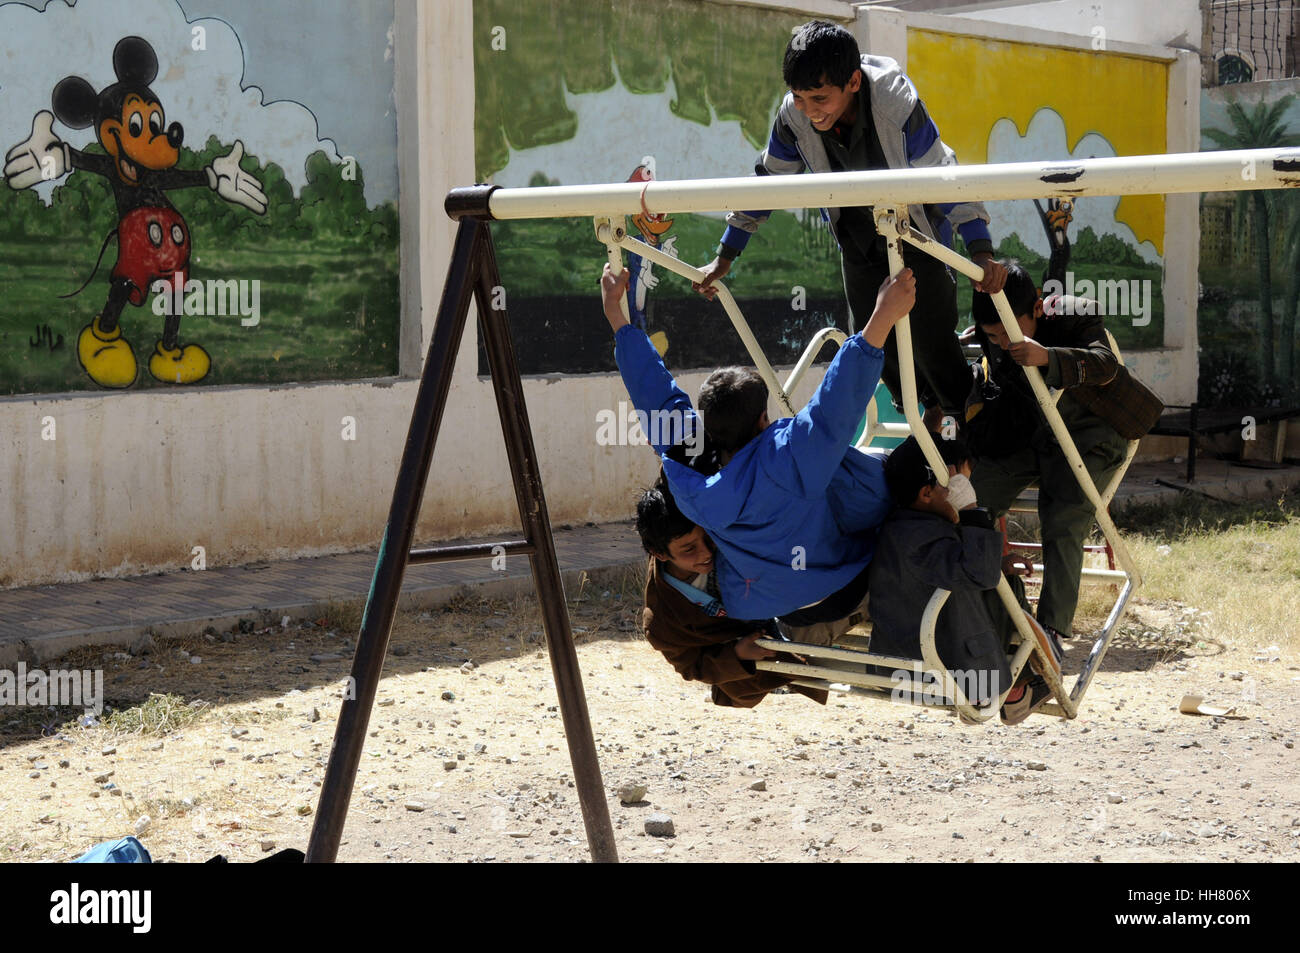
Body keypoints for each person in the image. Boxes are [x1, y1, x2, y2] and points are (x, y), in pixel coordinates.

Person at [692, 19, 1008, 424]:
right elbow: (768, 183)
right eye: (799, 97)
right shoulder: (795, 117)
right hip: (858, 239)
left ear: (854, 82)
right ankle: (926, 421)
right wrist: (726, 255)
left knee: (931, 338)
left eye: (820, 98)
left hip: (918, 232)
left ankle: (972, 421)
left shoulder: (895, 101)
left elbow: (943, 174)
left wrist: (980, 250)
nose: (809, 110)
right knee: (875, 339)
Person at [601, 262, 913, 638]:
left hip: (761, 604)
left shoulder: (689, 469)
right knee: (883, 480)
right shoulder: (787, 455)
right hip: (838, 589)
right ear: (763, 419)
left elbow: (654, 395)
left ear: (708, 424)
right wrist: (885, 313)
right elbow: (835, 404)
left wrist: (617, 315)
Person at [965, 262, 1164, 642]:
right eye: (994, 336)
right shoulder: (995, 339)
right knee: (975, 499)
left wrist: (1047, 357)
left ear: (1038, 308)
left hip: (1093, 437)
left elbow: (1106, 365)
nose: (1004, 344)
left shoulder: (1076, 314)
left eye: (1010, 333)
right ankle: (997, 614)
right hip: (1035, 437)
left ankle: (1051, 636)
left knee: (1061, 516)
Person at [866, 436, 1056, 725]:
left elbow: (951, 566)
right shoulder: (924, 538)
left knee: (998, 577)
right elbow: (979, 573)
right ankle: (1018, 688)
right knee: (1004, 588)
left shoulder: (902, 527)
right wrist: (969, 509)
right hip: (947, 677)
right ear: (927, 493)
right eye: (957, 487)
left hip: (899, 668)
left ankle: (1018, 680)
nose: (964, 493)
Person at [636, 479, 827, 709]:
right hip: (761, 660)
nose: (706, 552)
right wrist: (737, 654)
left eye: (707, 537)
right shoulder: (662, 621)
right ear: (660, 554)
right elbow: (691, 666)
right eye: (689, 549)